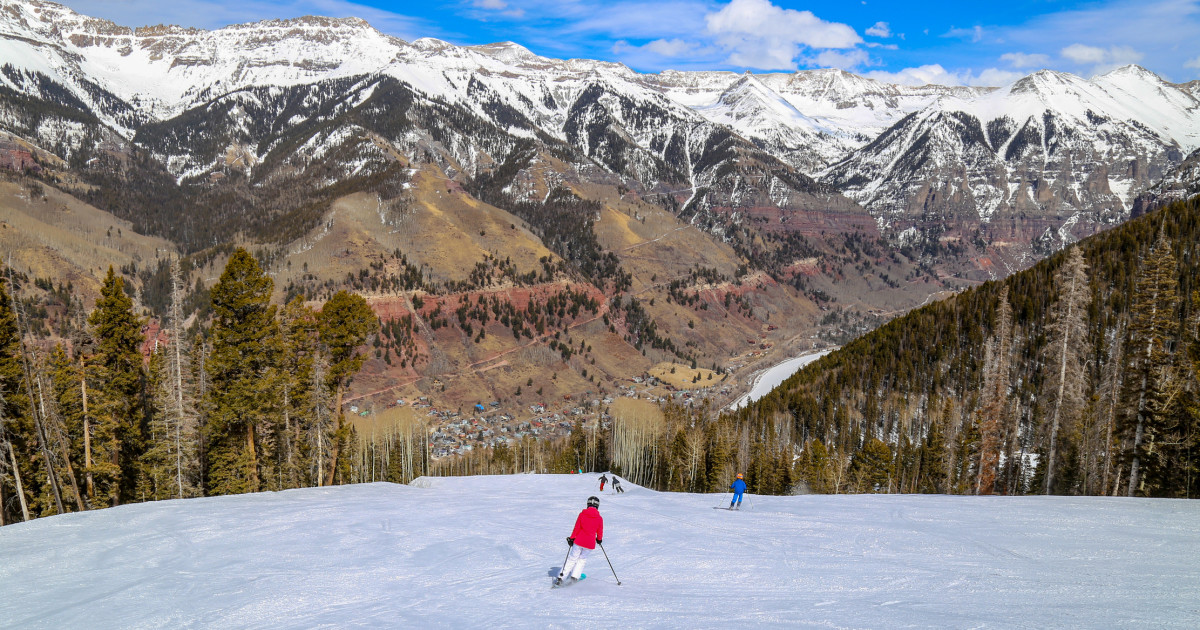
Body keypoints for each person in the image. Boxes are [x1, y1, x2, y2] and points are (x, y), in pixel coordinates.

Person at [557, 496, 603, 586]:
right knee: (582, 559)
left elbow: (577, 528)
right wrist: (599, 539)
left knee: (572, 558)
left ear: (588, 504)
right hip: (589, 544)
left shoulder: (582, 514)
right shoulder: (599, 518)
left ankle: (561, 578)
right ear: (597, 506)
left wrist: (572, 538)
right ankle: (574, 577)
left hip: (579, 541)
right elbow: (600, 531)